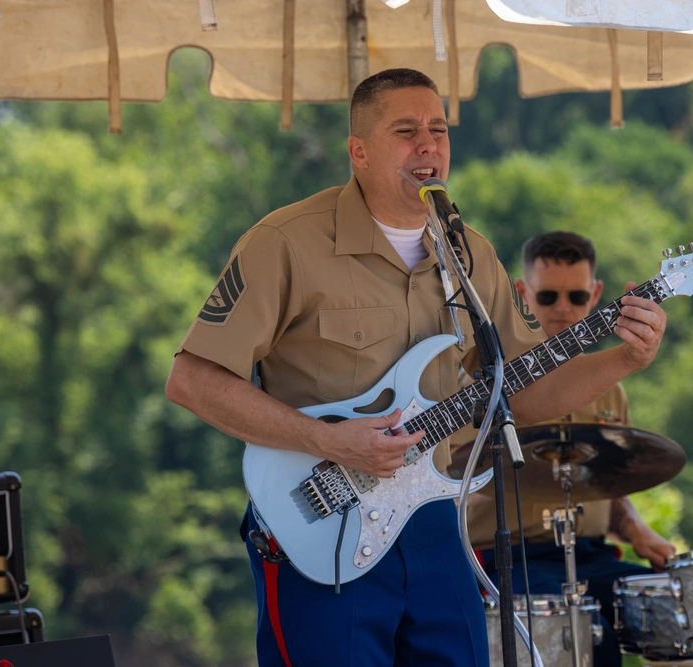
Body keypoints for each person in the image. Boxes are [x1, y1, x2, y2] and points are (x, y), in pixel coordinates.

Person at [165, 69, 667, 667]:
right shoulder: (285, 242)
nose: (428, 145)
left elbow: (522, 395)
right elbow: (192, 380)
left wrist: (625, 357)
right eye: (406, 131)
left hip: (436, 520)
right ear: (359, 152)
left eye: (439, 129)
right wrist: (327, 440)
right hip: (320, 521)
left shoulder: (470, 252)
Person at [466, 231, 676, 667]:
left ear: (596, 295)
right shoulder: (485, 380)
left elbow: (607, 483)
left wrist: (637, 531)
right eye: (548, 296)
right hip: (510, 560)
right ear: (523, 295)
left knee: (680, 605)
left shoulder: (611, 390)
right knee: (585, 625)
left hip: (590, 553)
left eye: (577, 296)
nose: (563, 308)